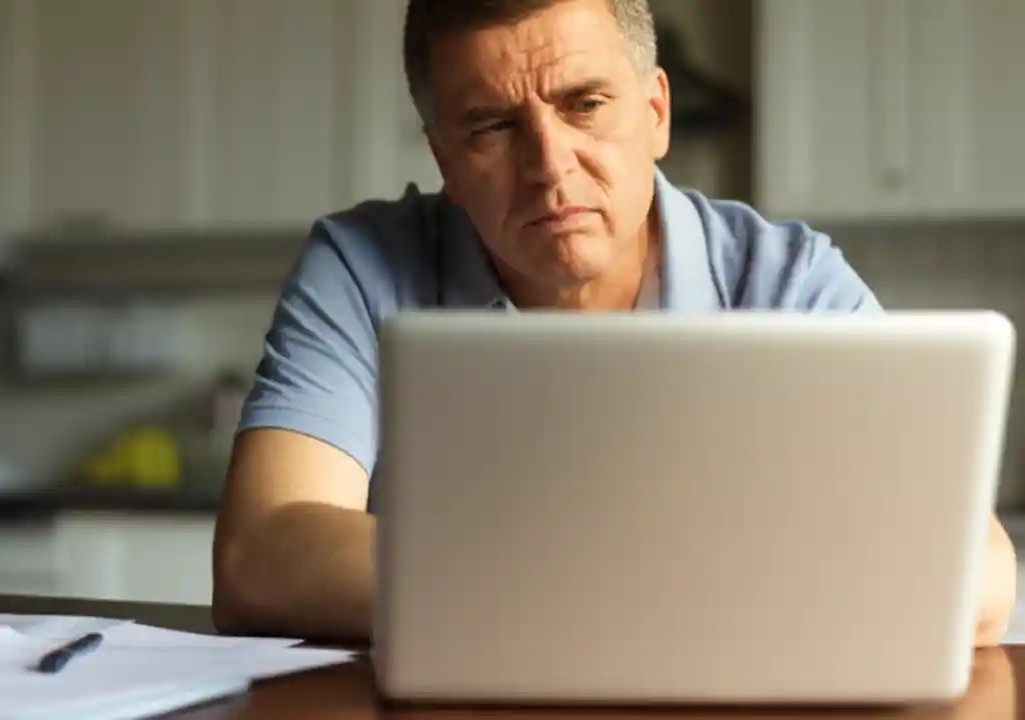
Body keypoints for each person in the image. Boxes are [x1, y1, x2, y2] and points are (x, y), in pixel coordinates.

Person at [211, 0, 1018, 645]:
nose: (550, 166)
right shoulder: (360, 265)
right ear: (445, 159)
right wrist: (680, 584)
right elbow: (261, 556)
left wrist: (531, 586)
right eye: (492, 126)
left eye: (585, 105)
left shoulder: (786, 279)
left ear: (656, 112)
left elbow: (976, 578)